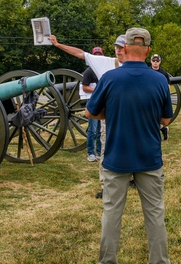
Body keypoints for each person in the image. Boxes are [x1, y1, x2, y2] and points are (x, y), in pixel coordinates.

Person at [85, 27, 173, 264]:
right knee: (155, 213)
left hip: (116, 156)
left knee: (112, 212)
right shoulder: (159, 80)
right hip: (149, 156)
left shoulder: (110, 79)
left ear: (124, 50)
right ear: (147, 50)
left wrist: (111, 114)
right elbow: (165, 119)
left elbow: (91, 112)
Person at [50, 34, 125, 197]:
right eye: (116, 47)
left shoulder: (136, 65)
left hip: (129, 115)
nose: (118, 50)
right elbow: (79, 53)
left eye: (121, 47)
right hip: (110, 115)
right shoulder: (105, 62)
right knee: (106, 148)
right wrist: (58, 45)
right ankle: (106, 185)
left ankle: (131, 178)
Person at [80, 46, 104, 163]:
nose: (98, 57)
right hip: (92, 100)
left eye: (100, 55)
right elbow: (84, 87)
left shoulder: (104, 70)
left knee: (101, 129)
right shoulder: (89, 71)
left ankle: (99, 152)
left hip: (102, 101)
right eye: (96, 55)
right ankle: (90, 152)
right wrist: (97, 90)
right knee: (92, 129)